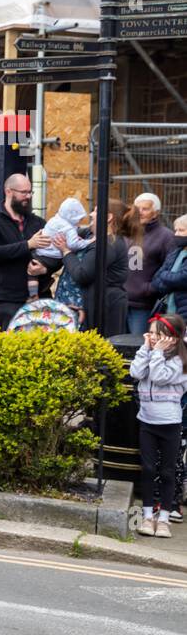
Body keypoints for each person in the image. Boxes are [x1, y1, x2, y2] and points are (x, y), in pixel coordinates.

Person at [130, 313, 187, 538]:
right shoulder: (153, 353)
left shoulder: (179, 362)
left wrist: (157, 353)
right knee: (149, 469)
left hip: (170, 424)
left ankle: (163, 519)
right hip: (146, 421)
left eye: (157, 334)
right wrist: (146, 348)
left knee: (167, 471)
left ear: (172, 339)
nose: (152, 337)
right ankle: (146, 516)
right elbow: (135, 372)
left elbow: (159, 376)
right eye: (151, 333)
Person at [0, 173, 52, 330]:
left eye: (30, 192)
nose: (28, 196)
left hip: (40, 298)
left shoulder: (38, 222)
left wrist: (45, 268)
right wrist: (28, 245)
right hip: (6, 300)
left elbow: (54, 254)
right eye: (23, 192)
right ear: (8, 191)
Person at [57, 200, 130, 336]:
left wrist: (66, 252)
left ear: (108, 217)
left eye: (96, 211)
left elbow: (82, 274)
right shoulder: (93, 237)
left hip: (105, 308)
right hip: (95, 304)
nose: (91, 214)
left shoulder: (108, 244)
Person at [126, 192, 176, 334]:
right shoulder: (126, 233)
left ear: (156, 213)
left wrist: (150, 289)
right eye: (137, 209)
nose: (140, 213)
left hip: (144, 305)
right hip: (120, 302)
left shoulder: (166, 237)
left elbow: (170, 268)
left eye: (145, 209)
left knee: (139, 346)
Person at [150, 213, 187, 314]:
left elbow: (182, 278)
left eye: (181, 230)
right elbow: (156, 279)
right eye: (176, 230)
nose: (176, 234)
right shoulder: (176, 251)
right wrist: (171, 283)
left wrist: (165, 276)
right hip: (168, 310)